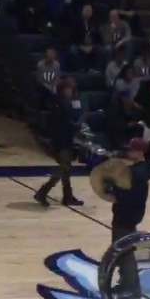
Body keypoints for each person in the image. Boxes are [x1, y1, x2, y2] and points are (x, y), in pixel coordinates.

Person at [106, 138, 150, 298]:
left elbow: (129, 196)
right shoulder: (139, 170)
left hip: (127, 214)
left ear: (139, 152)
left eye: (131, 150)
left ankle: (133, 288)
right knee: (120, 249)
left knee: (124, 251)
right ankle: (125, 283)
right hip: (128, 213)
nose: (128, 152)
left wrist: (113, 189)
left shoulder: (136, 173)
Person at [34, 79, 85, 207]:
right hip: (60, 142)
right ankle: (43, 192)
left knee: (66, 170)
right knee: (63, 169)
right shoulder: (58, 105)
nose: (70, 92)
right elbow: (61, 125)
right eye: (68, 89)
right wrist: (76, 128)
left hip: (66, 141)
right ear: (62, 90)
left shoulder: (66, 103)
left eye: (71, 89)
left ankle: (67, 196)